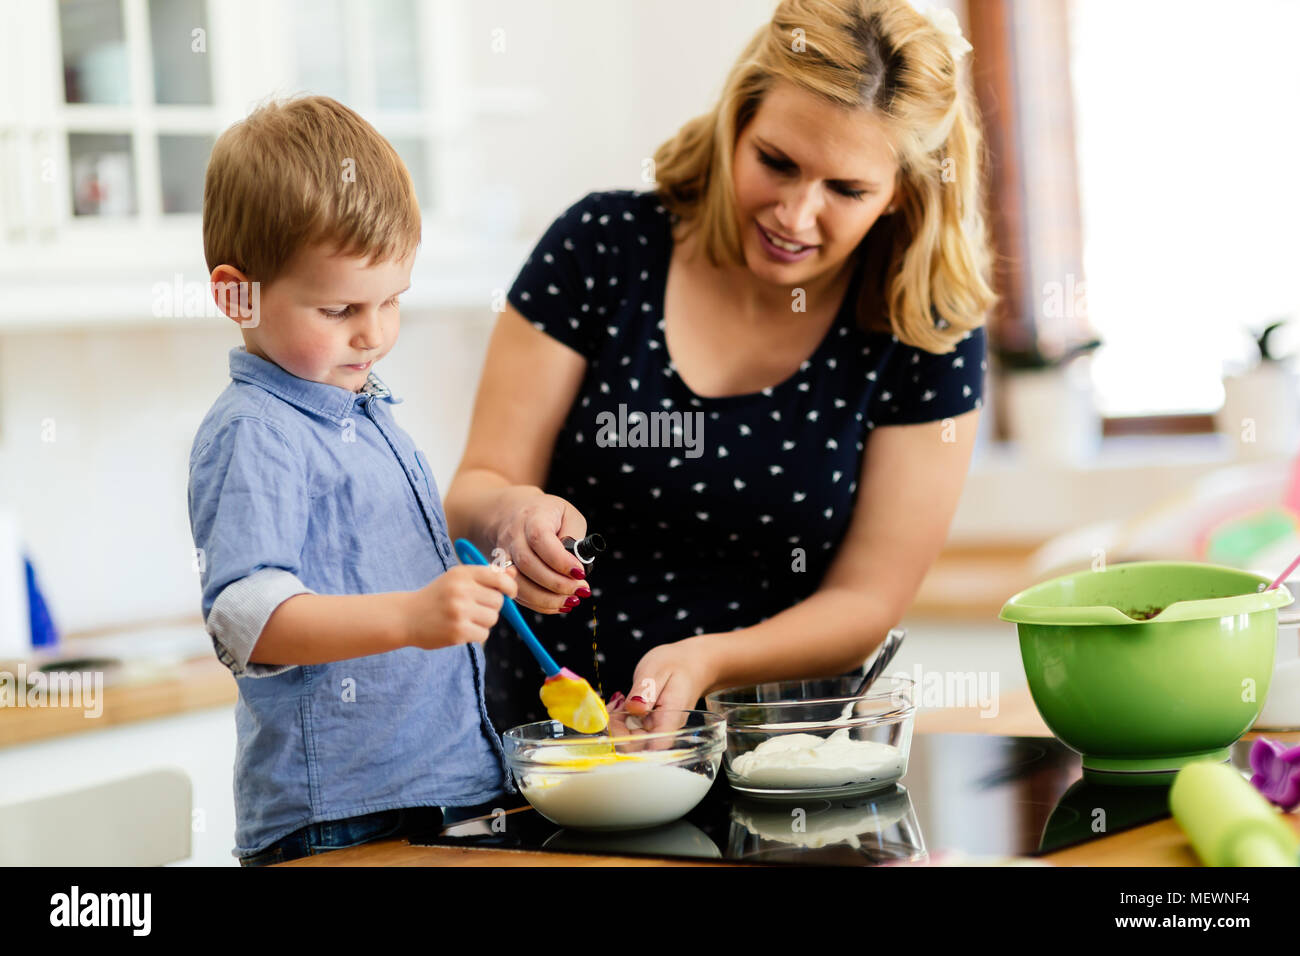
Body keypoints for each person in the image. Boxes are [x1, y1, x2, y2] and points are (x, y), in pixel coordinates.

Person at [447, 0, 997, 734]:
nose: (796, 217)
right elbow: (474, 489)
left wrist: (706, 662)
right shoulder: (601, 248)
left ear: (902, 193)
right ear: (736, 122)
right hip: (545, 747)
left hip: (782, 757)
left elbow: (865, 602)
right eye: (777, 163)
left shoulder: (922, 326)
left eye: (847, 189)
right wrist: (510, 515)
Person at [188, 96, 518, 865]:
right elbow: (250, 622)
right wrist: (410, 616)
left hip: (442, 786)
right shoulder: (256, 431)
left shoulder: (361, 410)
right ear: (237, 293)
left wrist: (486, 580)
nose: (374, 332)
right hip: (341, 814)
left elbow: (385, 568)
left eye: (392, 299)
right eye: (339, 308)